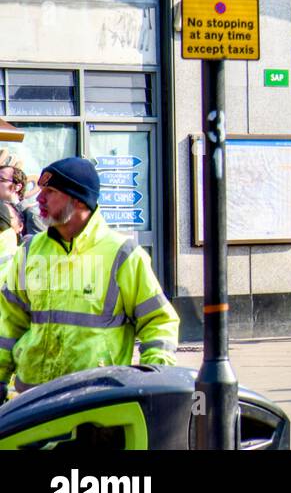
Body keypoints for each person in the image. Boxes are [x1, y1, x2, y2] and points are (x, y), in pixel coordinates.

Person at [0, 157, 180, 396]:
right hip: (33, 402)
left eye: (51, 191)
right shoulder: (31, 251)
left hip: (96, 405)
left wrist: (156, 378)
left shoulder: (122, 255)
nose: (40, 198)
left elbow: (159, 322)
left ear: (78, 199)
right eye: (42, 190)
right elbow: (8, 324)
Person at [0, 151, 43, 237]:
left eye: (1, 179)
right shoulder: (3, 211)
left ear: (17, 187)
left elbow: (37, 248)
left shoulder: (31, 214)